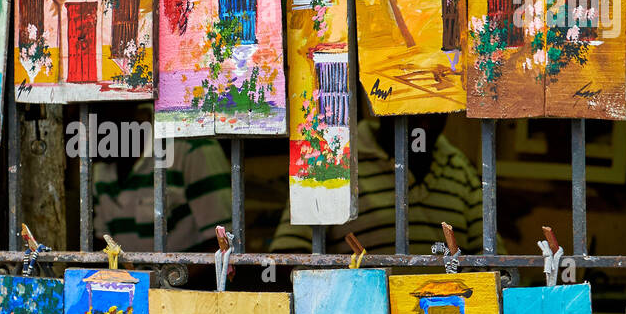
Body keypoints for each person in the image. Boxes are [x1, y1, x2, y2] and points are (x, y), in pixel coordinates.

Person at [271, 113, 496, 254]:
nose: (424, 120)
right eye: (410, 102)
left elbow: (492, 262)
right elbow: (288, 257)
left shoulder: (460, 168)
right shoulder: (331, 162)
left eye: (435, 103)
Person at [92, 108, 233, 253]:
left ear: (140, 114)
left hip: (188, 274)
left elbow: (224, 243)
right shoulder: (100, 167)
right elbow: (102, 243)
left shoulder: (191, 146)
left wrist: (168, 275)